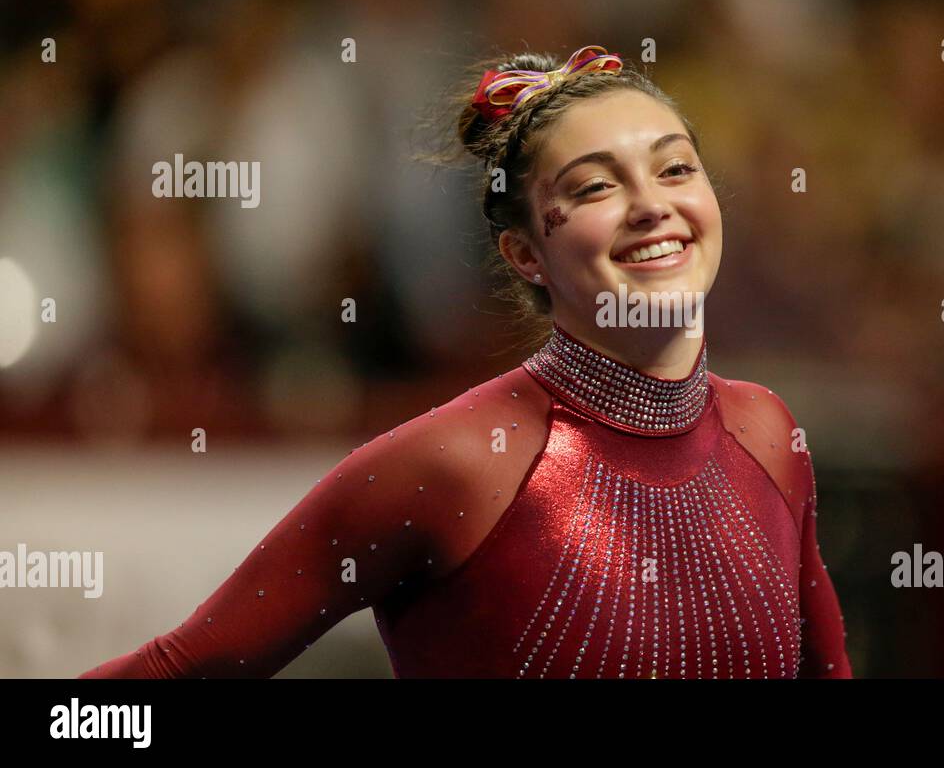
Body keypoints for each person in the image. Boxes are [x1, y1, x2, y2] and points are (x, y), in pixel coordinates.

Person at [80, 45, 852, 678]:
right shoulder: (460, 463)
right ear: (526, 253)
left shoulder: (767, 433)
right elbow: (180, 670)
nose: (651, 203)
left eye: (676, 168)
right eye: (594, 187)